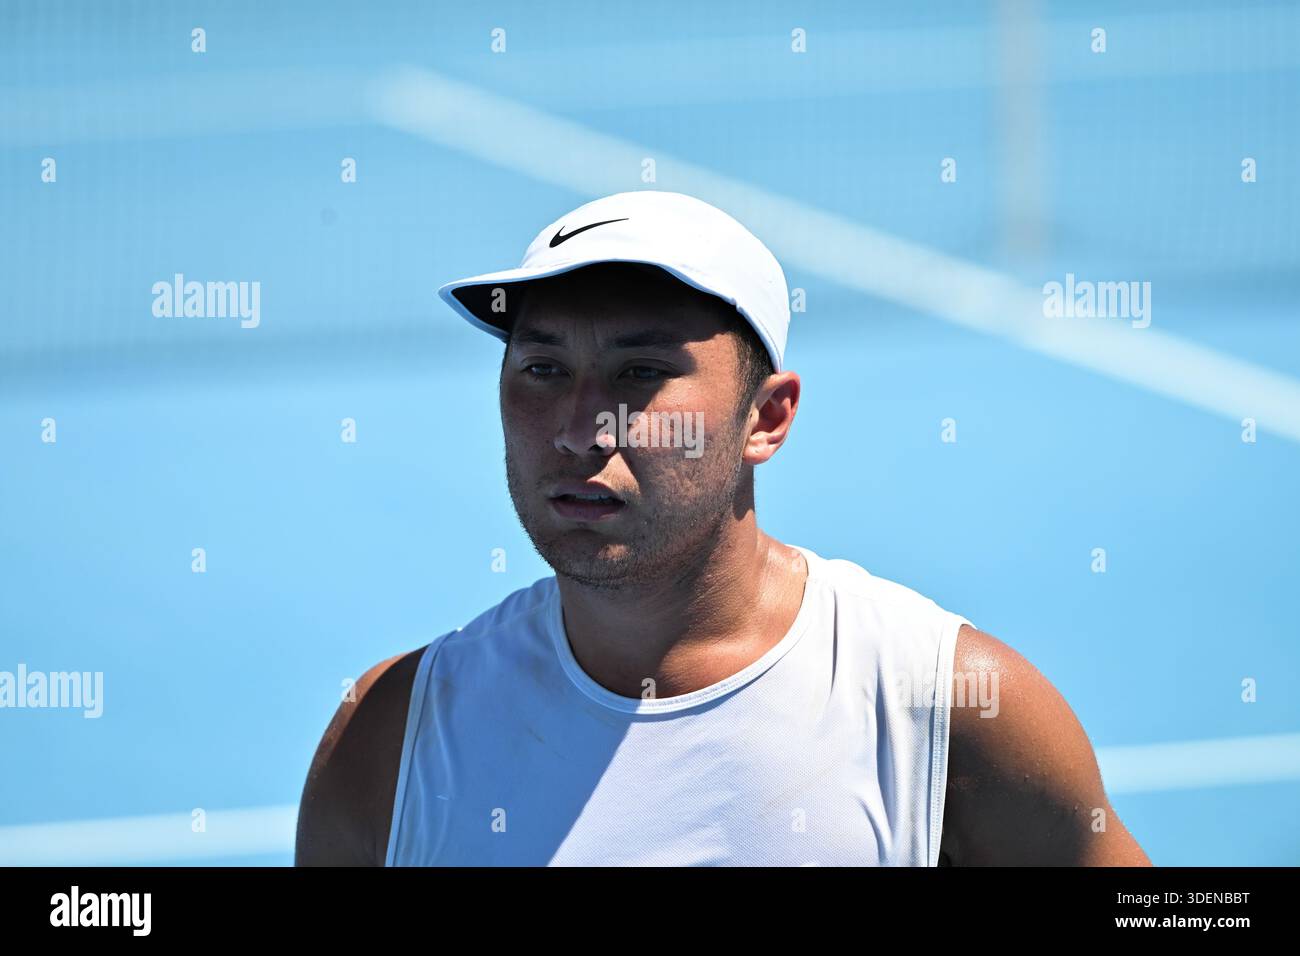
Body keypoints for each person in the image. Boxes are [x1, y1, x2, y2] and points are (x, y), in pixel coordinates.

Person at [296, 190, 1151, 866]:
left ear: (766, 419)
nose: (577, 427)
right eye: (542, 369)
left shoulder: (951, 704)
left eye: (640, 373)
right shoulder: (388, 737)